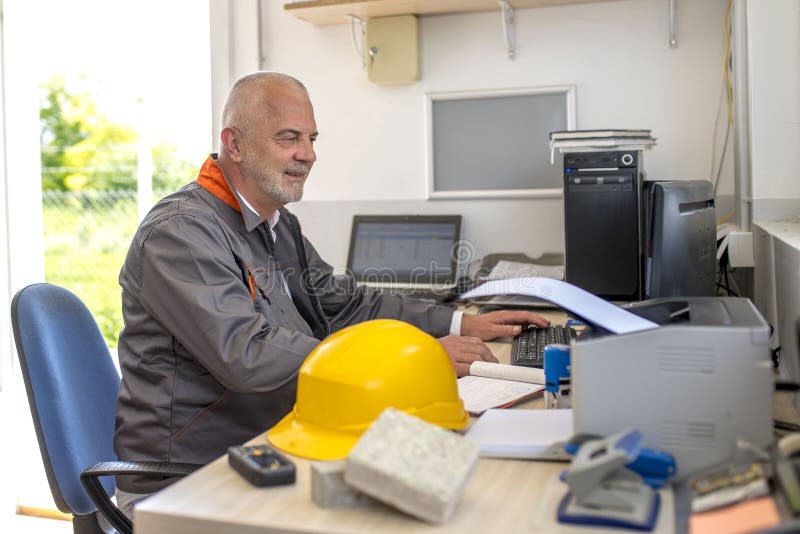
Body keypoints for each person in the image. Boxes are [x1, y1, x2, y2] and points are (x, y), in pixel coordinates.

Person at [113, 71, 550, 514]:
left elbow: (345, 305)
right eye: (288, 138)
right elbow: (249, 354)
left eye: (311, 138)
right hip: (190, 475)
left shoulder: (278, 225)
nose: (308, 155)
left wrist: (460, 321)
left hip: (277, 438)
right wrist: (412, 362)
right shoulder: (180, 234)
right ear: (235, 144)